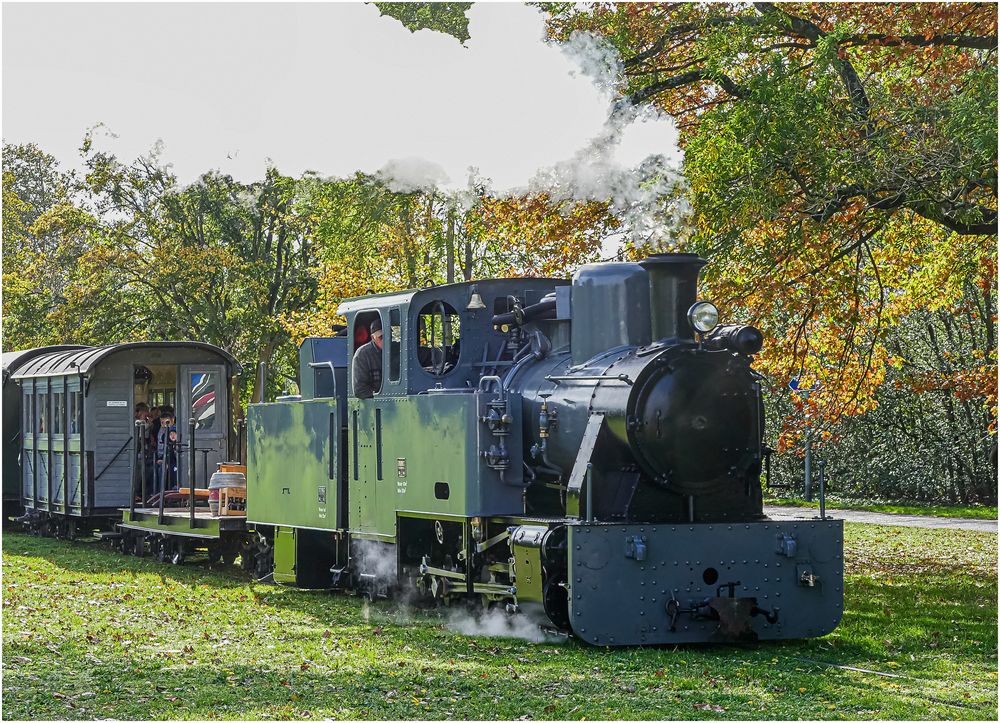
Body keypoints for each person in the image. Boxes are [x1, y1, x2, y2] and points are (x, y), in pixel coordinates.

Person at [353, 318, 383, 399]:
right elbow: (360, 390)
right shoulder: (362, 354)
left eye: (388, 336)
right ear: (373, 338)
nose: (385, 340)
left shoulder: (397, 351)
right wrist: (381, 394)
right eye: (381, 337)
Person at [155, 406, 179, 494]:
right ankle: (160, 492)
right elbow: (160, 447)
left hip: (175, 457)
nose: (165, 424)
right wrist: (161, 458)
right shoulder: (161, 431)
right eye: (162, 422)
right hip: (164, 456)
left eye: (167, 422)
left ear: (173, 419)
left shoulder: (175, 430)